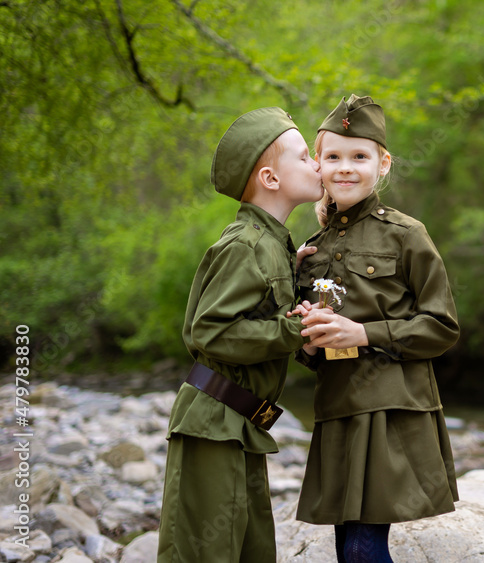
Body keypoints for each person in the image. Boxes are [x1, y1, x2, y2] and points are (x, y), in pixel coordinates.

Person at [290, 94, 461, 562]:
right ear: (318, 165)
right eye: (334, 157)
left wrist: (364, 334)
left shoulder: (407, 234)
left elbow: (442, 327)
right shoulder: (310, 247)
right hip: (337, 407)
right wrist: (304, 330)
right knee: (349, 549)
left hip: (391, 409)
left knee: (364, 551)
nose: (346, 168)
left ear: (383, 164)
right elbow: (305, 354)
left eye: (359, 157)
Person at [158, 107, 324, 562]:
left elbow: (253, 308)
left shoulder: (272, 245)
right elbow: (208, 332)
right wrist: (293, 330)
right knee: (204, 554)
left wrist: (292, 275)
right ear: (270, 178)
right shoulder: (245, 244)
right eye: (306, 155)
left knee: (250, 550)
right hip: (213, 425)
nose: (318, 164)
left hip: (242, 424)